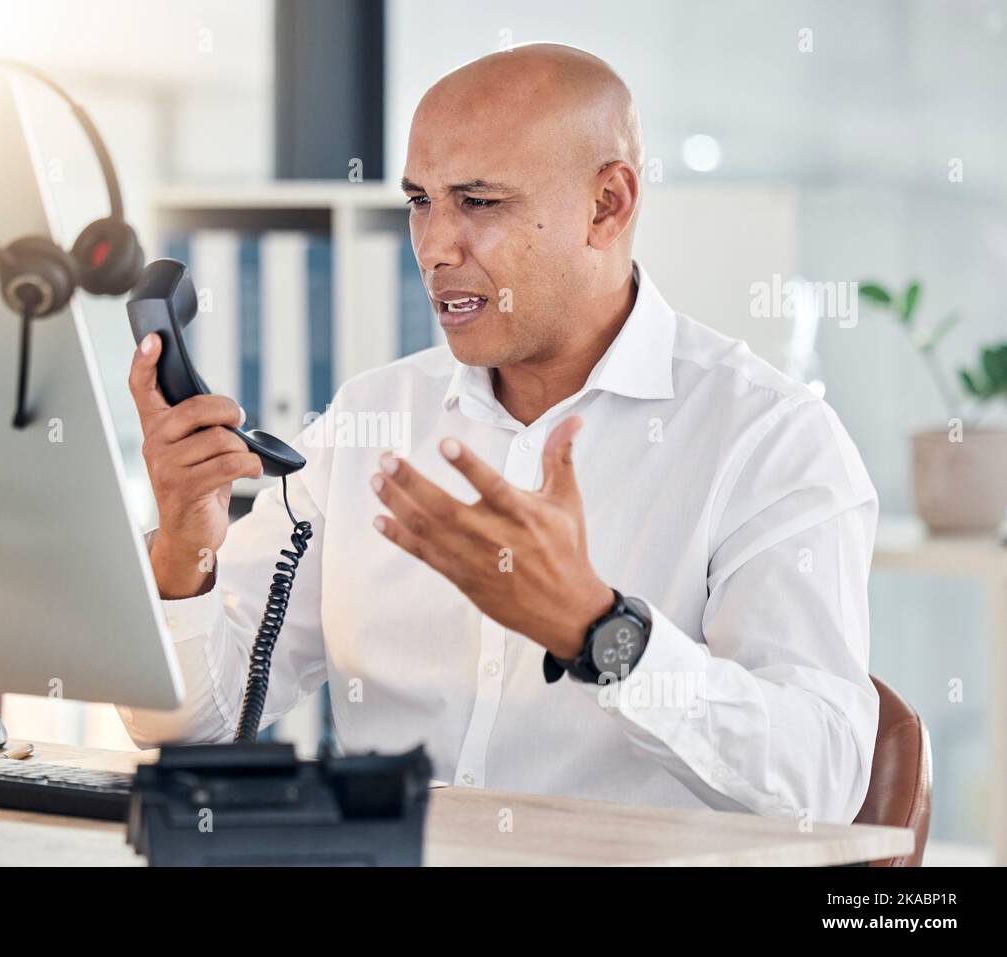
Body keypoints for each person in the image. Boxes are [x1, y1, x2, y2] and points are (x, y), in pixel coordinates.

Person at [119, 43, 879, 825]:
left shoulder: (769, 437)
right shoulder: (368, 417)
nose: (434, 247)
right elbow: (185, 726)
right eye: (419, 200)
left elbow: (821, 775)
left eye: (479, 203)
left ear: (608, 205)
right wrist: (187, 540)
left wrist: (599, 632)